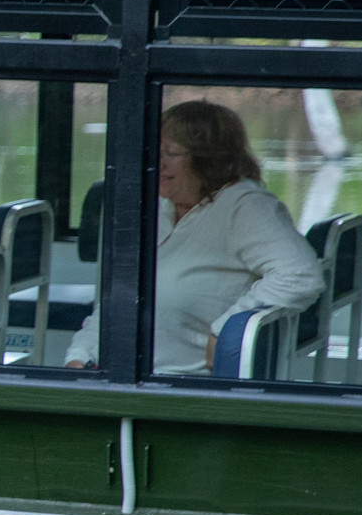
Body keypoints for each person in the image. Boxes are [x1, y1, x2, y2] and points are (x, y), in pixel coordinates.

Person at [65, 100, 323, 373]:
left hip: (175, 388)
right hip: (108, 377)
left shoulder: (244, 206)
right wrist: (78, 356)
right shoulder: (154, 207)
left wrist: (225, 330)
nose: (157, 162)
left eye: (171, 152)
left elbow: (301, 275)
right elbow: (116, 303)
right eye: (155, 149)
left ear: (207, 158)